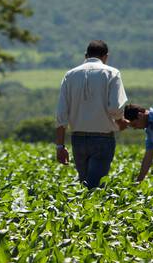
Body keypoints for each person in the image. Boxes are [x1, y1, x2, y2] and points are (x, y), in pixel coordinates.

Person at [55, 40, 129, 189]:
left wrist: (60, 146)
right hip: (103, 138)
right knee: (94, 189)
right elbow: (115, 107)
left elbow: (61, 113)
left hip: (78, 139)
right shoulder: (112, 73)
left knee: (84, 185)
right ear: (106, 56)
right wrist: (121, 122)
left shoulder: (70, 75)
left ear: (85, 55)